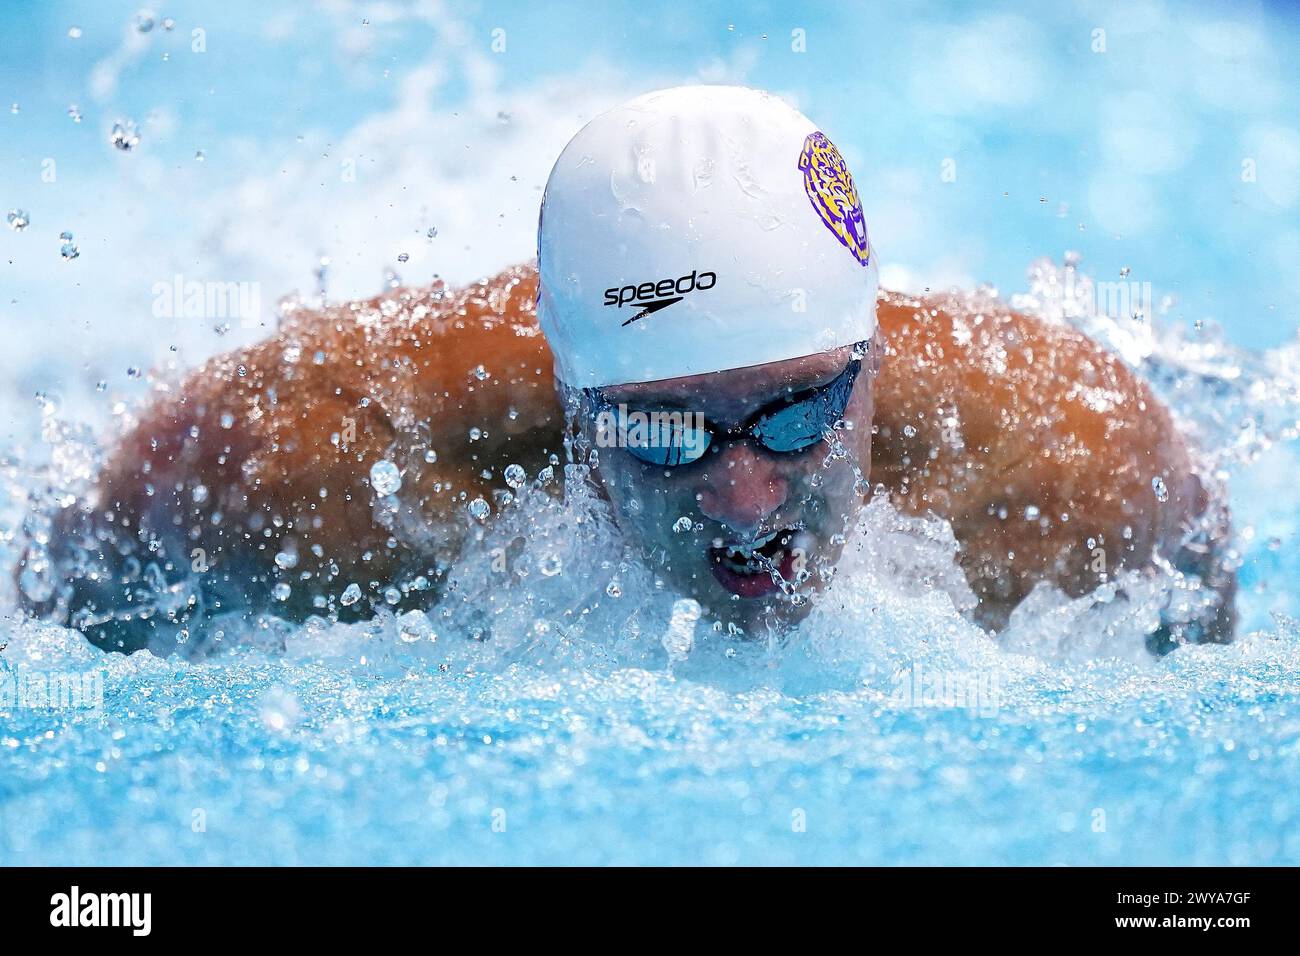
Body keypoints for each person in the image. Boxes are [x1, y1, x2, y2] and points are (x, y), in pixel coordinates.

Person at [16, 86, 1234, 653]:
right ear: (565, 395)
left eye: (802, 410)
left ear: (870, 365)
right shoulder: (315, 461)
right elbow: (58, 601)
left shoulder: (1064, 463)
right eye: (661, 431)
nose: (746, 501)